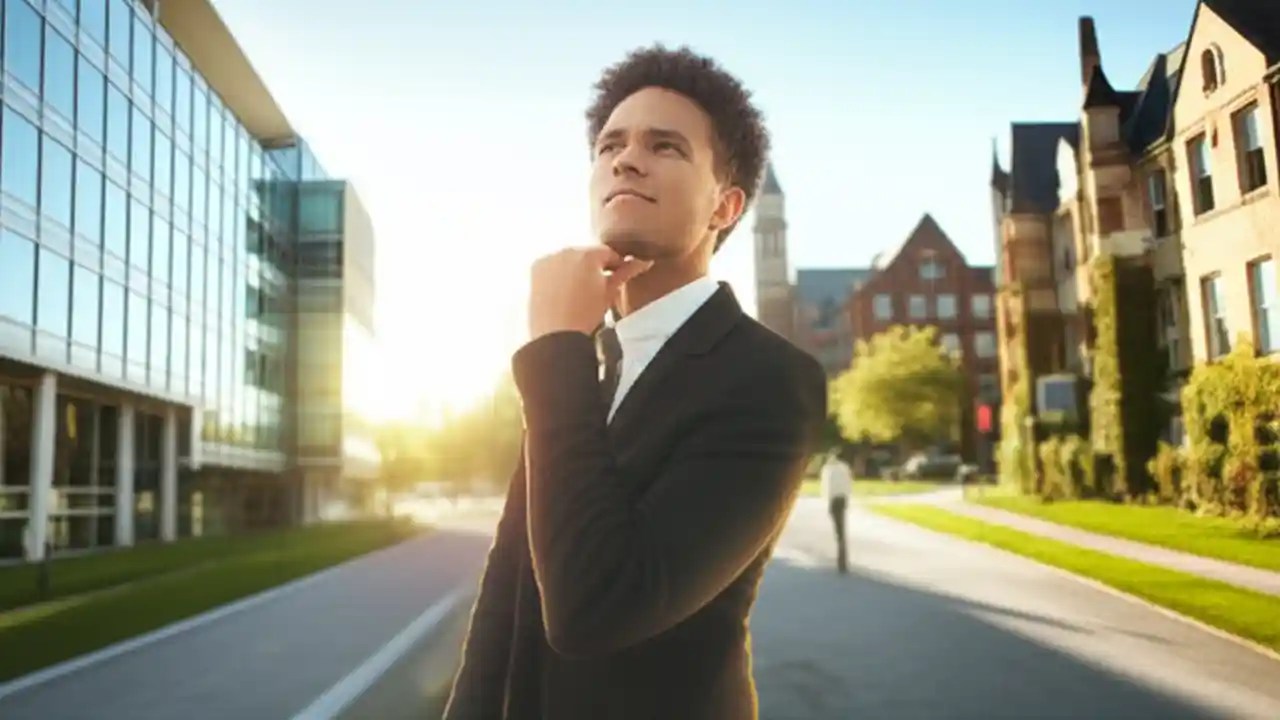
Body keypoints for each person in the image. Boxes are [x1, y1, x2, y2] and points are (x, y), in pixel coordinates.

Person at [443, 44, 827, 720]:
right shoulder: (578, 366)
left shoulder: (771, 380)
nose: (625, 158)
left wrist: (556, 346)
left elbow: (596, 608)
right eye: (609, 144)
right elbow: (506, 602)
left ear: (725, 207)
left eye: (666, 146)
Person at [819, 449, 854, 573]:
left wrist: (826, 500)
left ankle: (841, 560)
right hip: (842, 499)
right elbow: (849, 484)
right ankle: (842, 560)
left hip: (833, 500)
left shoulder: (828, 469)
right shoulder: (845, 468)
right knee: (841, 530)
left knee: (838, 531)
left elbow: (826, 487)